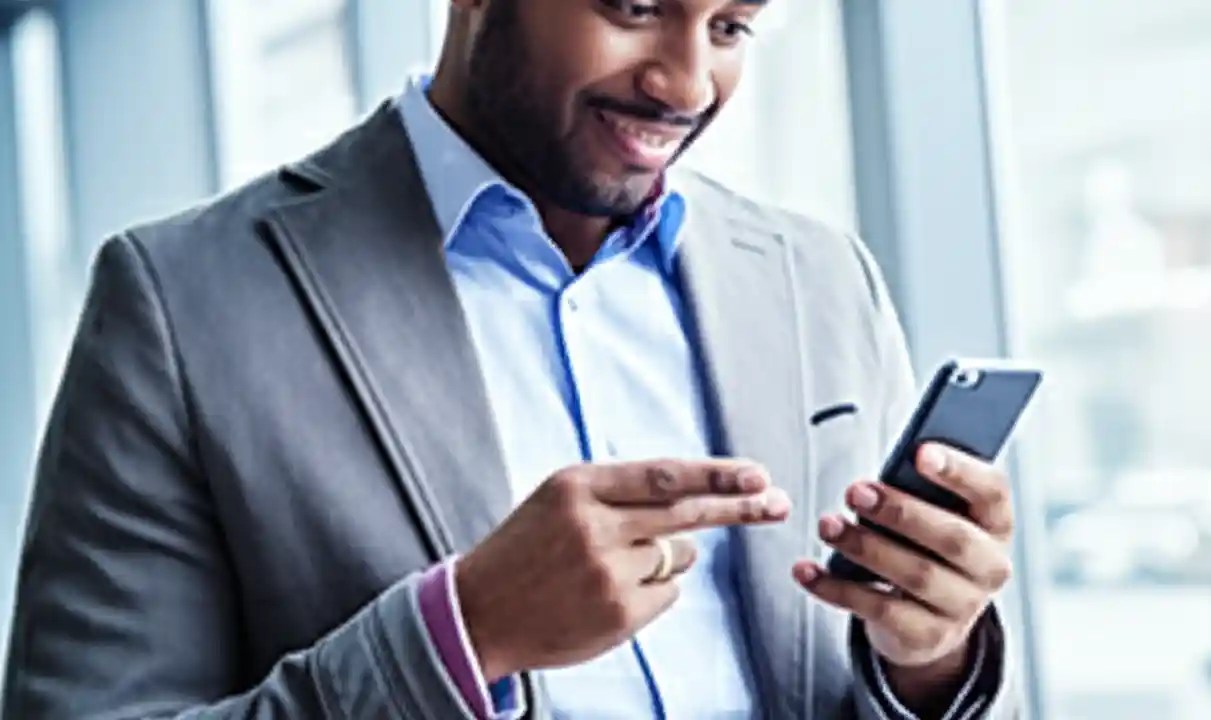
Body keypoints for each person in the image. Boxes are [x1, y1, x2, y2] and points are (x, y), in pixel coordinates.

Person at [3, 1, 1021, 718]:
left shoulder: (820, 276)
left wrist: (930, 660)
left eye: (729, 26)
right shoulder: (183, 299)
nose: (684, 82)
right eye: (632, 6)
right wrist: (462, 634)